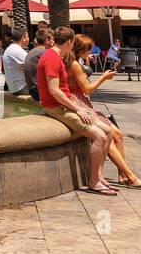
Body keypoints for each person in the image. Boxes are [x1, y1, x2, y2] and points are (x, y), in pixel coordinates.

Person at [68, 34, 141, 190]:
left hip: (85, 102)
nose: (90, 52)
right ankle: (131, 176)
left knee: (118, 135)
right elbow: (87, 89)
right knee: (108, 133)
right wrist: (103, 77)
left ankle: (122, 175)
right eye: (88, 49)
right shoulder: (74, 64)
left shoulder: (78, 62)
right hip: (79, 103)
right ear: (80, 49)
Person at [38, 26, 117, 196]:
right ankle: (93, 181)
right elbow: (54, 91)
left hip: (66, 104)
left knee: (109, 132)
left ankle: (99, 175)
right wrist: (77, 108)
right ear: (68, 42)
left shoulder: (58, 57)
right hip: (57, 107)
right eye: (72, 42)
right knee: (99, 136)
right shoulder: (51, 58)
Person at [23, 27, 53, 102]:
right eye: (52, 39)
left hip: (33, 91)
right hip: (39, 93)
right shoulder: (44, 53)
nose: (54, 42)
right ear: (47, 41)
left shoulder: (33, 51)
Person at [3, 28, 30, 94]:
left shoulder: (11, 48)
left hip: (15, 87)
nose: (29, 38)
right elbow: (34, 65)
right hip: (22, 87)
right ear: (23, 38)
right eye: (27, 36)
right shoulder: (17, 50)